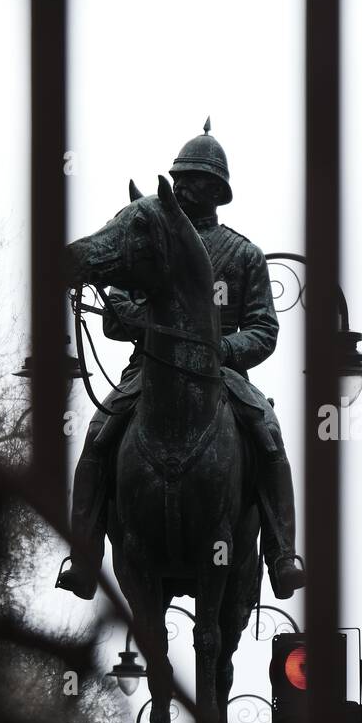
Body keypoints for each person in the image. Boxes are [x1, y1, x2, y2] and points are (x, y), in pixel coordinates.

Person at [56, 119, 305, 601]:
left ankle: (280, 554)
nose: (193, 189)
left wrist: (219, 349)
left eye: (202, 182)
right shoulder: (149, 239)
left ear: (218, 191)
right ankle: (84, 557)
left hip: (222, 374)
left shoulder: (243, 254)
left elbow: (264, 329)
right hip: (148, 370)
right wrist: (150, 326)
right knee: (97, 437)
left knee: (268, 432)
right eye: (186, 180)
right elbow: (114, 315)